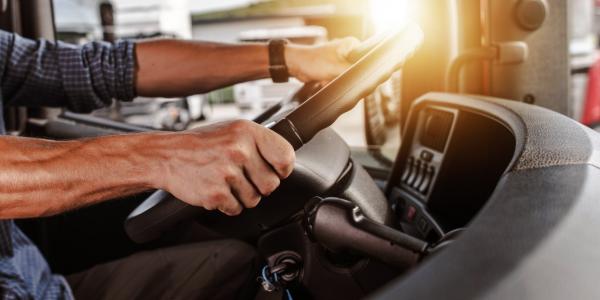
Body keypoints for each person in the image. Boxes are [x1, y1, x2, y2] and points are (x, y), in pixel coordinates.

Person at [0, 30, 358, 299]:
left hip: (41, 287)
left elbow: (100, 68)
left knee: (236, 264)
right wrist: (164, 157)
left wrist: (292, 58)